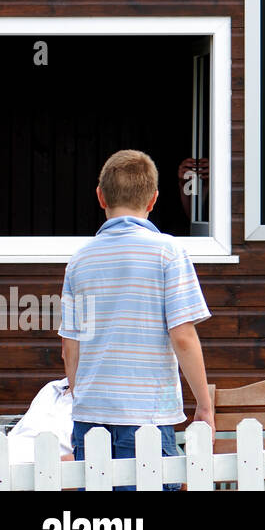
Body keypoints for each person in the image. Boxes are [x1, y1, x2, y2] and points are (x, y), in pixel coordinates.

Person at [59, 149, 213, 490]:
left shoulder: (80, 261)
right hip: (147, 419)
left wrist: (80, 392)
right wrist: (204, 405)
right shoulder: (168, 253)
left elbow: (71, 346)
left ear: (101, 197)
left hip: (90, 418)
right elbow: (183, 336)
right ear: (154, 199)